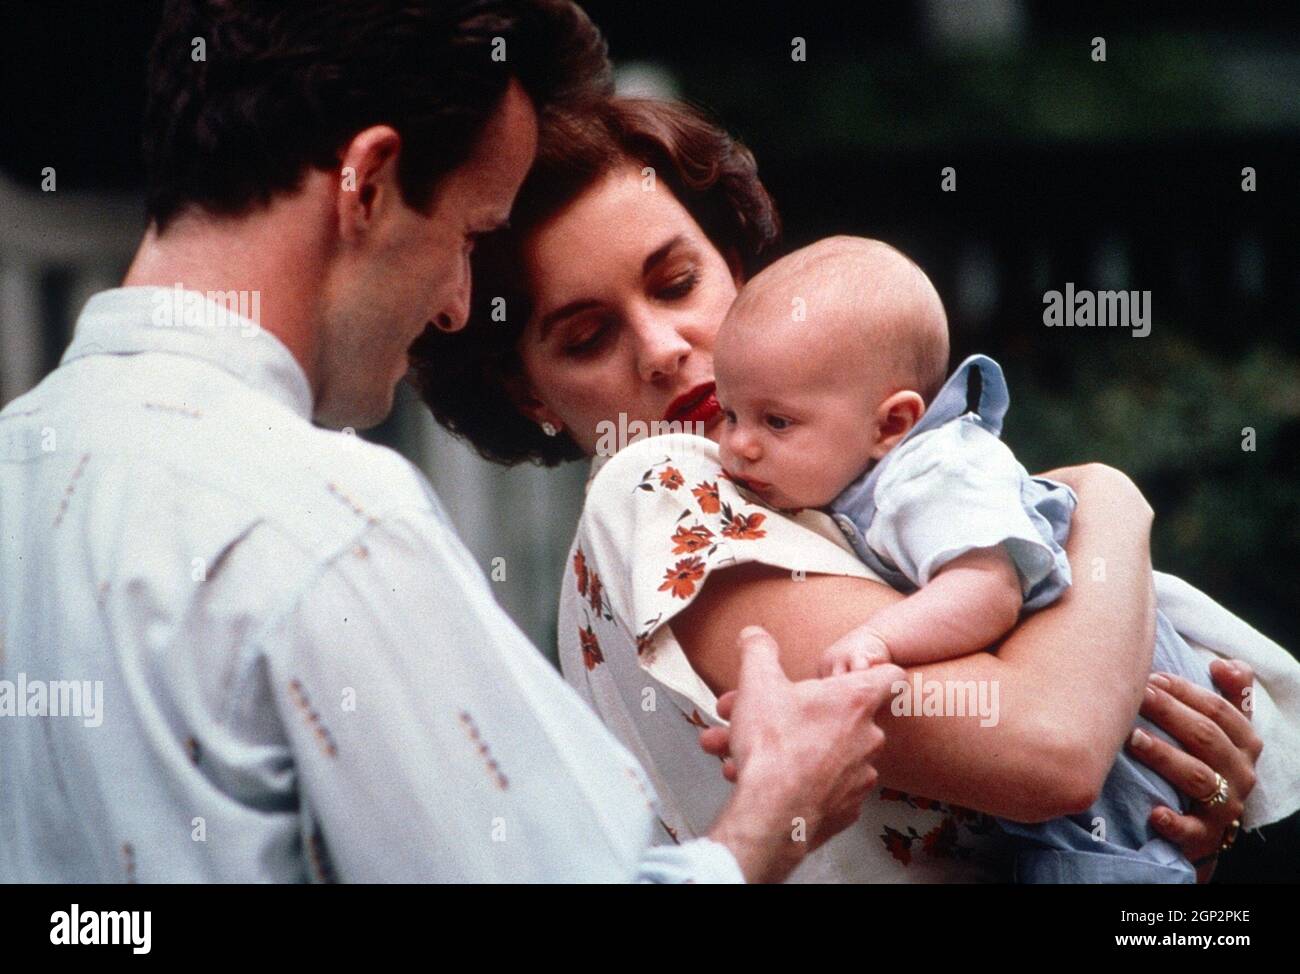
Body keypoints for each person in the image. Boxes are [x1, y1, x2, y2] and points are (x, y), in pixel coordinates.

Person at [0, 1, 904, 884]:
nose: (458, 305)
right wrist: (761, 830)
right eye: (471, 234)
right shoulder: (330, 524)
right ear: (369, 184)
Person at [414, 96, 1300, 882]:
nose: (663, 348)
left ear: (735, 266)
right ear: (527, 391)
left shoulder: (835, 499)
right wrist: (1110, 500)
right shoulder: (656, 490)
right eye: (585, 337)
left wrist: (1170, 822)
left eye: (677, 282)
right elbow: (1049, 749)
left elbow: (1052, 776)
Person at [711, 235, 1294, 882]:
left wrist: (878, 637)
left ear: (891, 425)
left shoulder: (933, 472)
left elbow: (988, 590)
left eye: (777, 423)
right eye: (728, 413)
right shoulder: (865, 477)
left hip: (1121, 759)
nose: (739, 446)